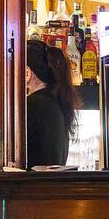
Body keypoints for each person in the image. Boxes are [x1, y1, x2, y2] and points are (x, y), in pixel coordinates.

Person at [26, 39, 77, 169]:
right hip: (50, 187)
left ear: (27, 73)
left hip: (30, 188)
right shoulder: (56, 104)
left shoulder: (33, 105)